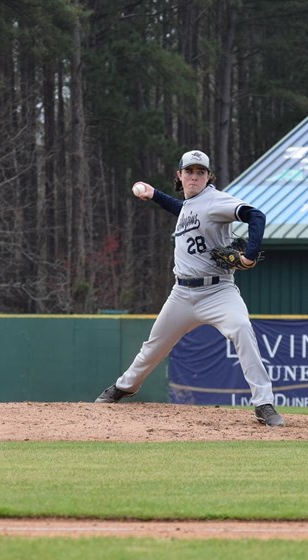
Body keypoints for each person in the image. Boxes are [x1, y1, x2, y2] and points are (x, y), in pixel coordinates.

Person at [94, 150, 284, 427]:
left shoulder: (216, 200)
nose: (194, 176)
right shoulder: (189, 204)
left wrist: (250, 255)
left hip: (219, 292)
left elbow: (256, 216)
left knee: (243, 330)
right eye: (189, 172)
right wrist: (154, 194)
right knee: (153, 346)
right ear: (179, 175)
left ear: (208, 177)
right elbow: (182, 209)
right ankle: (125, 386)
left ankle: (263, 403)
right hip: (182, 294)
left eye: (200, 172)